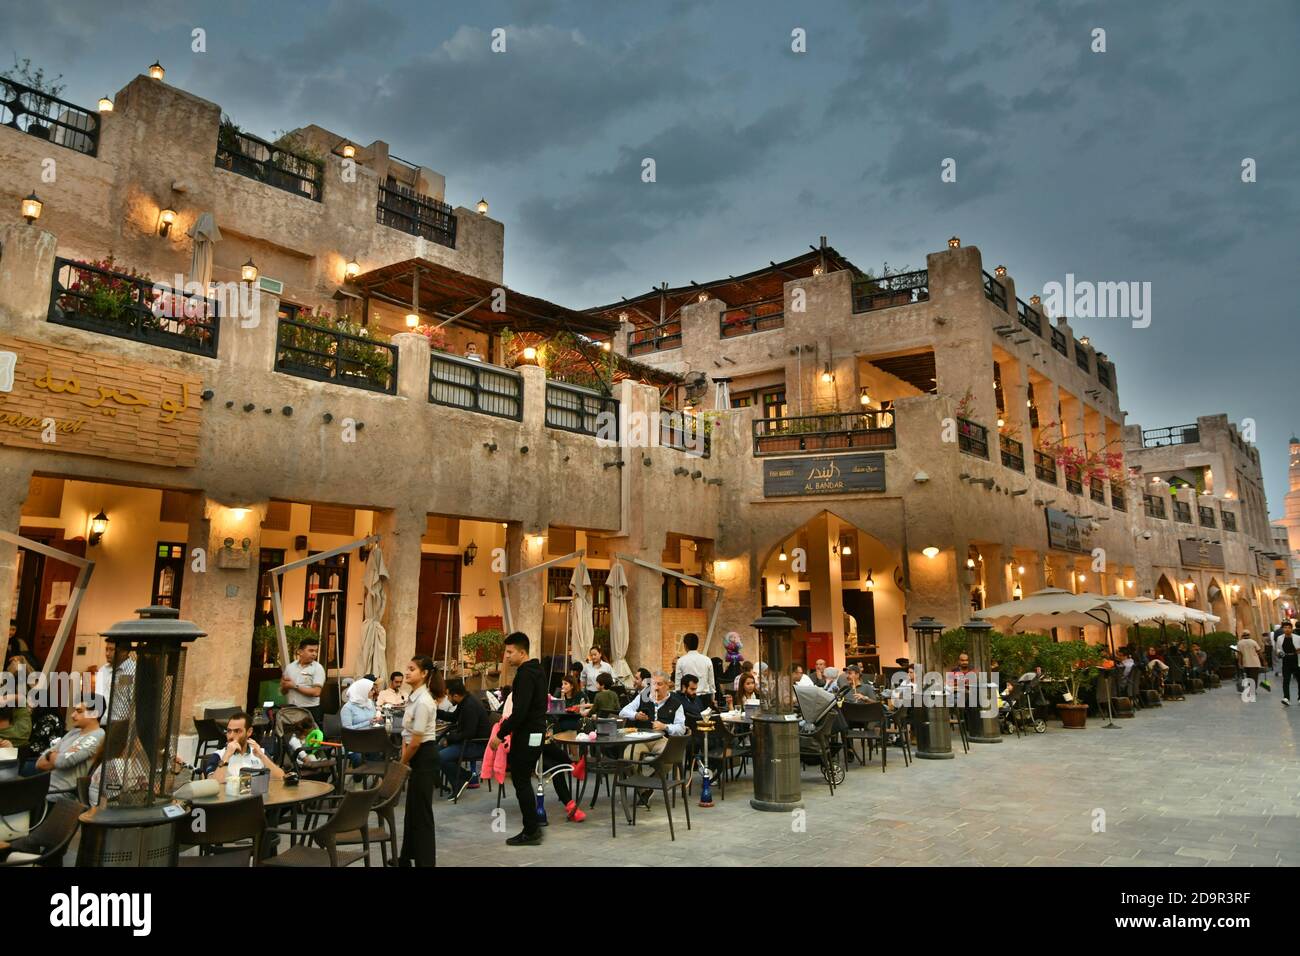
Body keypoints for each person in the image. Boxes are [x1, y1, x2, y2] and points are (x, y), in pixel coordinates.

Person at [492, 632, 547, 846]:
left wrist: (500, 733)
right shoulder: (538, 670)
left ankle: (531, 830)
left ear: (522, 652)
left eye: (509, 652)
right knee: (524, 780)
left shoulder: (525, 674)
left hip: (527, 734)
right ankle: (533, 825)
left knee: (521, 780)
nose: (506, 656)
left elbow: (520, 711)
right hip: (537, 733)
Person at [398, 655, 439, 867]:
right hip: (415, 753)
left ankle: (425, 862)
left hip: (423, 755)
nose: (407, 672)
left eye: (412, 669)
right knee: (412, 810)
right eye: (407, 667)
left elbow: (416, 741)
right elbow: (408, 734)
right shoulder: (413, 696)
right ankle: (406, 857)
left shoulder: (424, 701)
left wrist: (402, 763)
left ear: (424, 674)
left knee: (422, 812)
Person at [35, 696, 105, 798]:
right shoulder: (74, 732)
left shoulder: (97, 735)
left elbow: (63, 762)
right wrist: (56, 755)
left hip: (59, 796)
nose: (73, 715)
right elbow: (39, 763)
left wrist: (52, 755)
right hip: (44, 788)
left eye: (79, 711)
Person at [440, 679, 495, 799]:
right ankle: (466, 776)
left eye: (448, 696)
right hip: (467, 742)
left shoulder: (469, 706)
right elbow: (454, 717)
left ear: (455, 695)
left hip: (476, 745)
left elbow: (468, 733)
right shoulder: (464, 701)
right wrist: (435, 712)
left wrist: (449, 739)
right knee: (437, 750)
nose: (448, 700)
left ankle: (461, 780)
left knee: (440, 757)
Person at [212, 711, 284, 784]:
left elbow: (280, 778)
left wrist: (262, 756)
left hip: (257, 794)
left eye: (237, 731)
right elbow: (213, 784)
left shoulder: (260, 752)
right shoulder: (219, 755)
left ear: (249, 732)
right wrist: (226, 756)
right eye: (229, 731)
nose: (231, 736)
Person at [281, 636, 325, 726]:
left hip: (310, 710)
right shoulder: (290, 667)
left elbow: (316, 692)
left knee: (309, 738)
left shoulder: (318, 668)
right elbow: (283, 691)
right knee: (292, 738)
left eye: (316, 651)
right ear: (300, 652)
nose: (314, 654)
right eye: (311, 650)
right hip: (291, 710)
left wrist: (295, 686)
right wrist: (284, 687)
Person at [97, 636, 135, 724]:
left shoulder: (133, 670)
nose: (107, 653)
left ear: (124, 651)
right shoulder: (103, 670)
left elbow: (134, 703)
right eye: (106, 649)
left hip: (120, 725)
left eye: (111, 650)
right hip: (102, 723)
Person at [672, 633, 716, 706]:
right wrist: (713, 698)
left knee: (691, 717)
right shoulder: (707, 659)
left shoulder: (681, 661)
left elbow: (678, 684)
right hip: (705, 697)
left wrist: (679, 699)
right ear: (697, 645)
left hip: (688, 698)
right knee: (706, 717)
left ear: (685, 645)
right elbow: (711, 682)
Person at [1236, 632, 1266, 698]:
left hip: (1246, 662)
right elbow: (1260, 652)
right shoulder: (1253, 642)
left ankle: (1251, 689)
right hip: (1255, 662)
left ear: (1242, 636)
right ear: (1249, 635)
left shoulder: (1239, 643)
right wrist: (1264, 661)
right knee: (1254, 677)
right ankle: (1253, 690)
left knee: (1249, 676)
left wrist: (1239, 663)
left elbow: (1239, 654)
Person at [1278, 621, 1300, 706]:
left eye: (1288, 628)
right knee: (1286, 680)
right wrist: (1279, 653)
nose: (1287, 629)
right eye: (1285, 628)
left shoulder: (1297, 638)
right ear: (1283, 629)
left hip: (1296, 659)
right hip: (1286, 660)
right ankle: (1286, 698)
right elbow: (1278, 649)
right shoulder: (1280, 638)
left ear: (1291, 629)